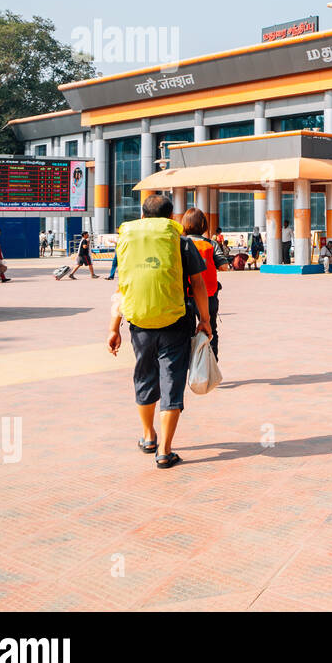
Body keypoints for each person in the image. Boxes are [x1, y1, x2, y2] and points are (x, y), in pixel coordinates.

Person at [107, 193, 211, 471]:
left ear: (142, 216)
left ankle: (148, 436)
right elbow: (199, 285)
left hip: (138, 321)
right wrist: (206, 320)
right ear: (171, 218)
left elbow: (123, 287)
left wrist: (113, 327)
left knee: (145, 375)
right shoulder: (181, 242)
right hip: (176, 320)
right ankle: (164, 451)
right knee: (172, 380)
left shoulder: (127, 242)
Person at [180, 208, 225, 360]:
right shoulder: (211, 244)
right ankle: (211, 364)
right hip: (209, 295)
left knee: (187, 331)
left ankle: (191, 365)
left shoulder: (181, 244)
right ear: (204, 225)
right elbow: (223, 266)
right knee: (210, 329)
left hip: (186, 296)